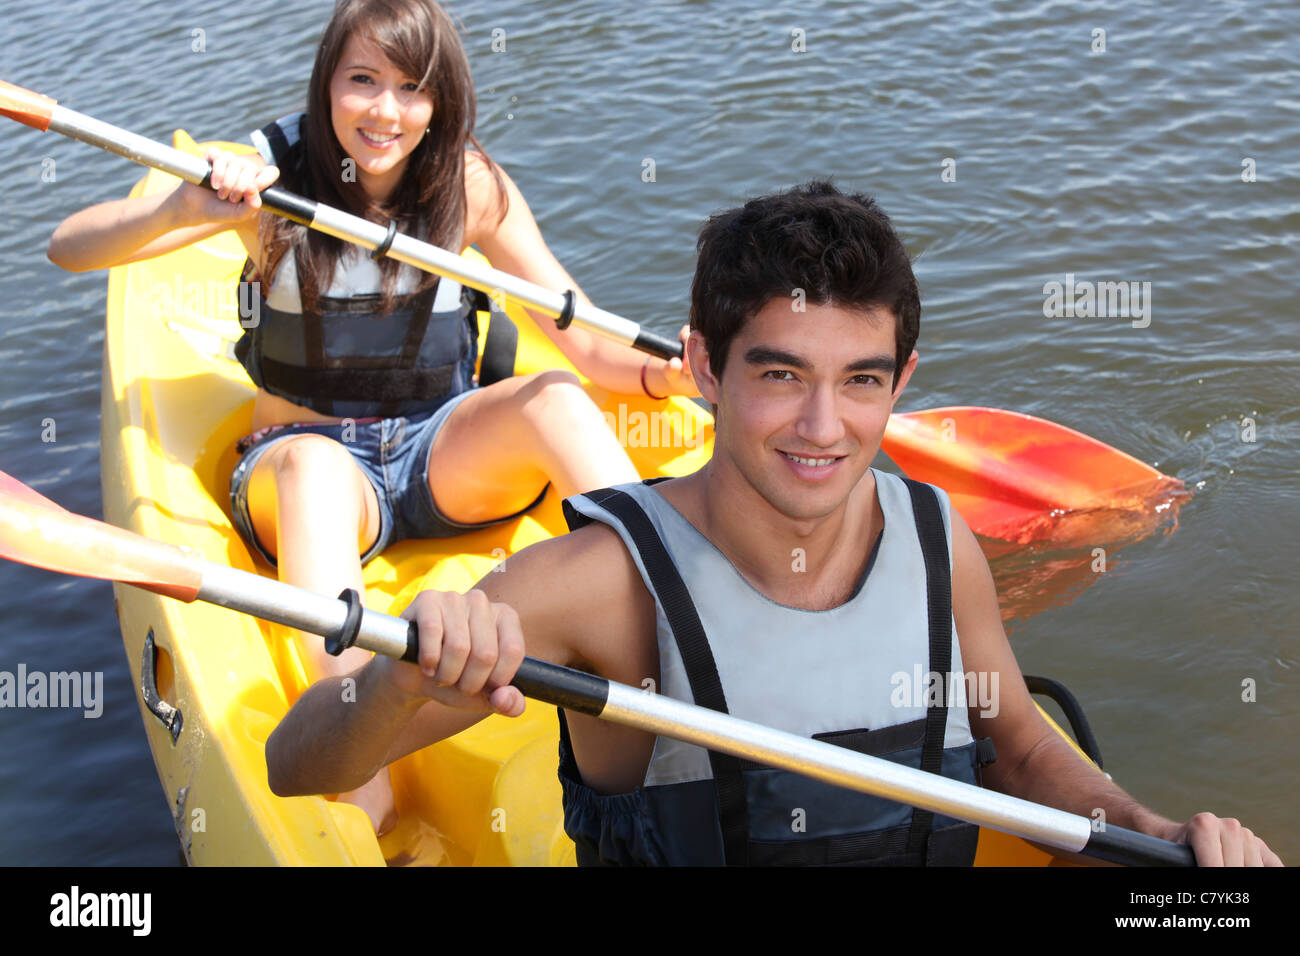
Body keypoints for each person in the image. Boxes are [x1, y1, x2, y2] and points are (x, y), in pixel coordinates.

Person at [264, 180, 1282, 866]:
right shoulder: (595, 586)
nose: (822, 427)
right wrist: (398, 678)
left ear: (902, 384)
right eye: (781, 374)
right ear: (705, 366)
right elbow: (300, 762)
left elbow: (1016, 745)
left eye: (860, 381)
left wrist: (1160, 836)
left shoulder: (936, 542)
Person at [46, 0, 698, 837]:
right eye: (363, 81)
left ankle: (680, 614)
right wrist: (182, 210)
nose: (386, 112)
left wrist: (660, 376)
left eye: (411, 88)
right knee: (317, 469)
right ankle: (353, 739)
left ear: (441, 101)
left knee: (557, 400)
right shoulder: (268, 184)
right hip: (307, 465)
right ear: (328, 86)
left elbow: (578, 334)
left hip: (437, 453)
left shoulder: (470, 185)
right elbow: (70, 246)